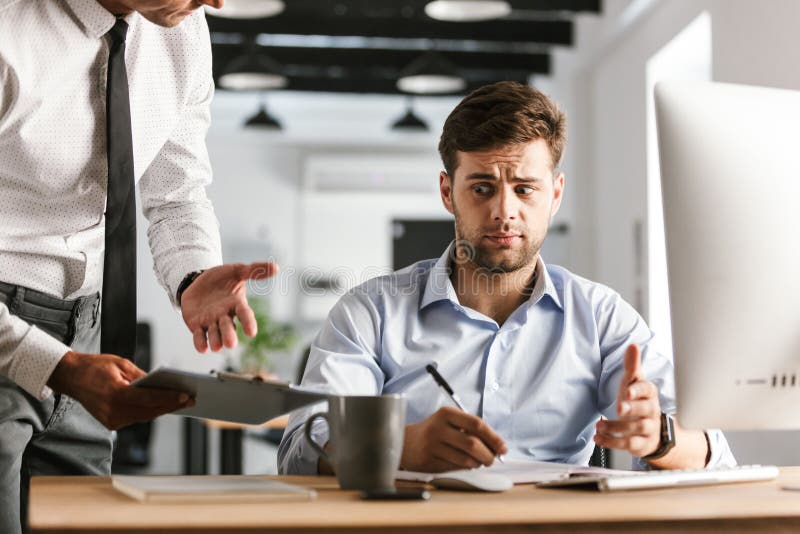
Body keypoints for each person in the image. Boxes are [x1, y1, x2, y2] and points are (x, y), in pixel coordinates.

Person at [278, 81, 736, 476]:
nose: (504, 211)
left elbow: (713, 453)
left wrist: (659, 437)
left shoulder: (600, 317)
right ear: (447, 193)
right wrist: (397, 447)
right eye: (482, 188)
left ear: (555, 194)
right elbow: (300, 447)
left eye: (524, 188)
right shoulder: (370, 313)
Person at [0, 1, 277, 532]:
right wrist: (55, 365)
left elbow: (177, 191)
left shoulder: (184, 31)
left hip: (89, 335)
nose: (217, 2)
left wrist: (193, 275)